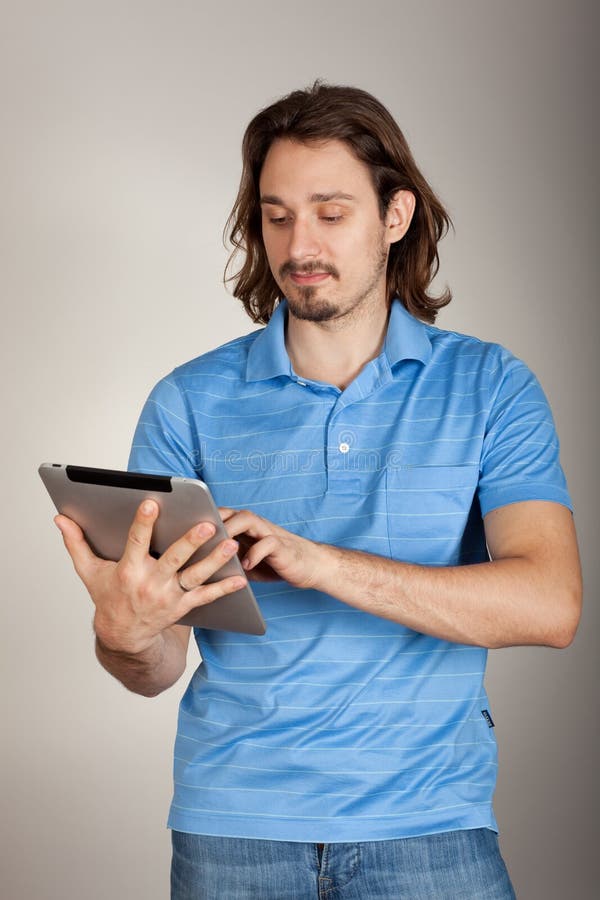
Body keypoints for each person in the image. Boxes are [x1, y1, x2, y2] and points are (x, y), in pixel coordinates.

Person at [55, 82, 582, 899]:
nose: (299, 244)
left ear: (394, 216)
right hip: (233, 831)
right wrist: (125, 631)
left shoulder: (491, 387)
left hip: (431, 828)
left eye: (331, 212)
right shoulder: (187, 401)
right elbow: (155, 666)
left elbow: (551, 606)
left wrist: (321, 564)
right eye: (276, 215)